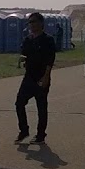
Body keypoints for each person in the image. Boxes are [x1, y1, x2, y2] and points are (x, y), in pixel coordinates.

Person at [16, 12, 56, 145]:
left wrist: (46, 77)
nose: (31, 25)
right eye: (30, 22)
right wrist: (22, 59)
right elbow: (24, 54)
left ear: (41, 23)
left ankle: (40, 135)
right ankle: (24, 130)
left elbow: (50, 60)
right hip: (29, 77)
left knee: (41, 107)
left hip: (42, 76)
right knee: (19, 103)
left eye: (33, 22)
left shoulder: (48, 40)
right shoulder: (28, 39)